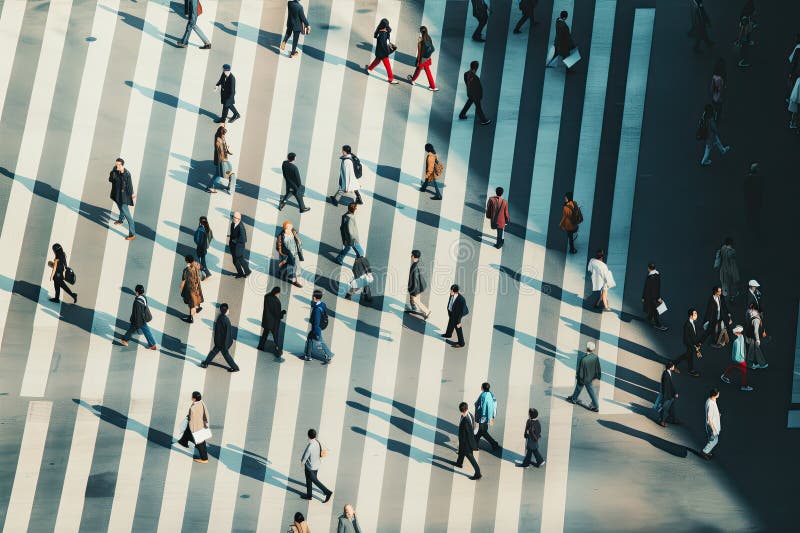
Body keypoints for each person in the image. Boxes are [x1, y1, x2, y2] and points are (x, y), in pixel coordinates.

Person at [200, 303, 240, 372]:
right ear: (226, 311)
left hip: (220, 341)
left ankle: (205, 363)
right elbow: (227, 334)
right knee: (222, 354)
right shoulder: (226, 320)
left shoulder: (220, 317)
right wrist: (226, 345)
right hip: (223, 343)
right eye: (228, 310)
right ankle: (235, 368)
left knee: (215, 352)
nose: (229, 311)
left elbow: (218, 331)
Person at [118, 284, 157, 349]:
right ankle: (152, 345)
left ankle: (124, 340)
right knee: (145, 331)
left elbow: (137, 313)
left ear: (137, 292)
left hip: (138, 320)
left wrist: (138, 324)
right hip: (141, 319)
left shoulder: (137, 302)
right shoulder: (143, 297)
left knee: (133, 329)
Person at [566, 341, 601, 412]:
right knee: (587, 390)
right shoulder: (595, 357)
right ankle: (574, 398)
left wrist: (578, 376)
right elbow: (598, 367)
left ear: (587, 348)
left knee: (583, 389)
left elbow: (580, 370)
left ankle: (596, 406)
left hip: (583, 377)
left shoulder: (583, 359)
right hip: (590, 377)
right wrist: (597, 376)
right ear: (593, 349)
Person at [176, 391, 210, 463]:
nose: (191, 397)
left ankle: (204, 459)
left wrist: (188, 418)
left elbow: (193, 419)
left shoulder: (194, 408)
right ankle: (183, 442)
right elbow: (206, 413)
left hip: (196, 426)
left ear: (194, 399)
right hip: (198, 424)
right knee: (187, 431)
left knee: (200, 442)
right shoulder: (201, 403)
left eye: (192, 396)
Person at [300, 428, 333, 502]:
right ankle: (309, 495)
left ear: (308, 436)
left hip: (310, 467)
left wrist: (302, 463)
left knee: (314, 481)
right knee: (309, 480)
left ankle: (327, 492)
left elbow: (305, 457)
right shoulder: (317, 442)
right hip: (316, 465)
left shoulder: (310, 446)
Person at [108, 158, 136, 241]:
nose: (117, 166)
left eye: (119, 164)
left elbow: (129, 185)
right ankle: (120, 220)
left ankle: (132, 234)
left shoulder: (126, 174)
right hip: (116, 194)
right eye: (116, 164)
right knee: (120, 208)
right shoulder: (114, 170)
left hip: (123, 197)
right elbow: (110, 180)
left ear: (122, 165)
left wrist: (132, 194)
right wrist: (113, 173)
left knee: (128, 216)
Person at [365, 19, 397, 84]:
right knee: (388, 67)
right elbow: (383, 45)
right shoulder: (383, 34)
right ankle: (391, 79)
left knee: (377, 61)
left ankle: (369, 68)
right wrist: (387, 52)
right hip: (383, 53)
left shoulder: (380, 31)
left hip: (379, 51)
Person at [454, 402, 481, 480]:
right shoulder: (469, 415)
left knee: (470, 457)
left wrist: (463, 442)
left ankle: (478, 473)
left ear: (461, 410)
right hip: (466, 441)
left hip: (466, 442)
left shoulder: (466, 420)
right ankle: (459, 463)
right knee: (461, 452)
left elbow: (468, 433)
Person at [720, 325, 753, 391]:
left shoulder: (741, 337)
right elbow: (737, 352)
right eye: (740, 332)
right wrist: (740, 360)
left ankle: (725, 376)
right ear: (737, 332)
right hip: (739, 358)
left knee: (733, 366)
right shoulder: (736, 341)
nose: (741, 332)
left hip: (739, 357)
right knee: (744, 371)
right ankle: (744, 386)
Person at [305, 290, 334, 363]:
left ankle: (329, 354)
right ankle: (308, 355)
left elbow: (316, 322)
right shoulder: (322, 304)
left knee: (319, 342)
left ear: (314, 298)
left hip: (316, 329)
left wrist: (316, 332)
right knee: (310, 338)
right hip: (319, 327)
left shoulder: (317, 310)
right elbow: (313, 304)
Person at [458, 61, 491, 125]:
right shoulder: (476, 78)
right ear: (476, 68)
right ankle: (483, 120)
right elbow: (478, 89)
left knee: (468, 103)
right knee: (478, 107)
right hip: (475, 95)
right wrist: (480, 96)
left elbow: (467, 84)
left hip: (470, 93)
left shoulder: (466, 74)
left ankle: (462, 114)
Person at [407, 26, 438, 91]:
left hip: (422, 59)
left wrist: (418, 61)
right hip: (428, 58)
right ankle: (433, 86)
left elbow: (419, 53)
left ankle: (412, 80)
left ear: (421, 32)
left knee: (418, 70)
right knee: (428, 72)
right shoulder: (428, 37)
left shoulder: (421, 41)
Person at [258, 286, 286, 357]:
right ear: (277, 293)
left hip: (267, 320)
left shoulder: (267, 296)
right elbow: (277, 314)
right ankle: (278, 351)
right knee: (275, 336)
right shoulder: (276, 302)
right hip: (273, 322)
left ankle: (260, 346)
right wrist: (282, 313)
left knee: (265, 334)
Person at [276, 220, 304, 288]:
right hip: (287, 255)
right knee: (289, 265)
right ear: (285, 227)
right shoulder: (281, 236)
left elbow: (297, 241)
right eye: (289, 226)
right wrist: (284, 256)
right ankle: (281, 272)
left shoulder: (293, 232)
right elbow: (279, 246)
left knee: (296, 266)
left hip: (295, 253)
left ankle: (296, 280)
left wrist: (299, 247)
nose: (291, 227)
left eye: (291, 226)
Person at [677, 308, 703, 377]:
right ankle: (690, 370)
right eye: (695, 314)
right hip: (689, 343)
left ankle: (675, 362)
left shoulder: (693, 322)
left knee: (688, 355)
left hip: (692, 343)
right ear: (691, 316)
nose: (696, 315)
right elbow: (687, 338)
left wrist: (697, 343)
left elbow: (694, 334)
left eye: (696, 314)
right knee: (689, 355)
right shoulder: (687, 325)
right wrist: (694, 347)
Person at [208, 126, 235, 193]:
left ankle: (210, 187)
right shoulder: (218, 141)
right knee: (232, 175)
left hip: (222, 161)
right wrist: (222, 162)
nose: (224, 135)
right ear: (221, 133)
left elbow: (223, 149)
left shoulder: (221, 138)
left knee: (217, 174)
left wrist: (227, 150)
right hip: (222, 161)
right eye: (223, 134)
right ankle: (230, 189)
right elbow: (220, 152)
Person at [474, 382, 499, 451]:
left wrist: (481, 417)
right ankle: (475, 445)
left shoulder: (483, 395)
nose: (481, 387)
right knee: (481, 431)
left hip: (483, 417)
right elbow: (494, 403)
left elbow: (483, 407)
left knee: (483, 432)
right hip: (489, 416)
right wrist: (492, 417)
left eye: (481, 386)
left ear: (483, 388)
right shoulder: (491, 394)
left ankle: (494, 443)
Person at [180, 254, 204, 324]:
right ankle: (197, 308)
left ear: (187, 261)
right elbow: (201, 273)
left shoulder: (186, 270)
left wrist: (181, 289)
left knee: (191, 302)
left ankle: (190, 318)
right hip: (197, 286)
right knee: (197, 297)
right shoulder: (197, 265)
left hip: (190, 288)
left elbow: (183, 280)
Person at [642, 263, 667, 331]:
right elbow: (657, 287)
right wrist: (658, 297)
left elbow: (647, 288)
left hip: (652, 297)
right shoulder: (657, 274)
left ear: (649, 268)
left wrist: (643, 297)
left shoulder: (650, 277)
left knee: (655, 310)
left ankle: (657, 324)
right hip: (655, 296)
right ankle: (650, 319)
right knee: (653, 309)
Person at [407, 250, 431, 319]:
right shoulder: (420, 262)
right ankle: (414, 309)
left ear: (413, 256)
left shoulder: (414, 267)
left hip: (416, 287)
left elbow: (414, 280)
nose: (411, 256)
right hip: (421, 285)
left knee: (415, 299)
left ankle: (427, 311)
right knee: (415, 299)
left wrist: (413, 292)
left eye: (412, 255)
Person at [700, 387, 721, 460]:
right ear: (716, 394)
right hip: (711, 426)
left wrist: (717, 414)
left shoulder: (711, 400)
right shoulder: (711, 404)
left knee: (711, 439)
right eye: (718, 393)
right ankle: (705, 452)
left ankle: (708, 451)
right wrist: (713, 430)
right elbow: (709, 418)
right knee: (714, 440)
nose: (719, 394)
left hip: (711, 424)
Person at [744, 304, 768, 369]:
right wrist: (757, 339)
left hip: (749, 335)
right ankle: (760, 364)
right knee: (752, 350)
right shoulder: (756, 320)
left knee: (753, 350)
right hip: (752, 337)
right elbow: (755, 331)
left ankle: (760, 363)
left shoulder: (752, 314)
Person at [229, 211, 251, 278]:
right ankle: (240, 273)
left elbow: (244, 239)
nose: (233, 218)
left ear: (239, 219)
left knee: (240, 259)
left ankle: (248, 271)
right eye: (233, 216)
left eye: (234, 217)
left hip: (239, 247)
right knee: (235, 261)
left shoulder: (241, 227)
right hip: (233, 245)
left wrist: (235, 240)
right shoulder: (232, 224)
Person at [657, 361, 679, 426]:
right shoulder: (666, 375)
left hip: (670, 394)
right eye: (673, 366)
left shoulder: (667, 372)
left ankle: (673, 419)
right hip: (668, 394)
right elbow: (669, 385)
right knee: (665, 407)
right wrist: (675, 392)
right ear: (670, 367)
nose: (674, 367)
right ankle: (662, 420)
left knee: (672, 407)